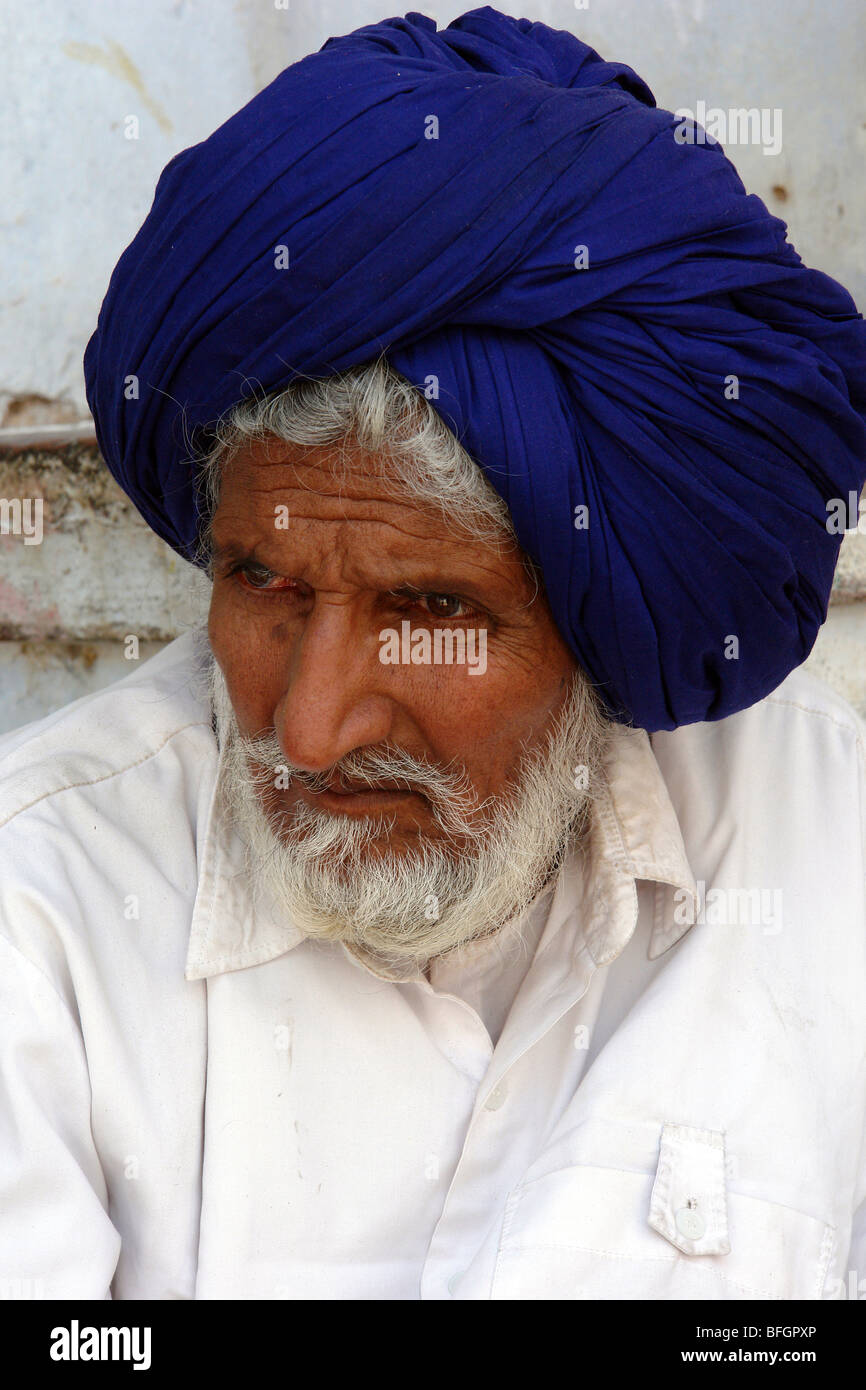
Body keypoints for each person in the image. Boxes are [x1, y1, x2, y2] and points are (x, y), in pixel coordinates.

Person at [1, 6, 865, 1300]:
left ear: (594, 608)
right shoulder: (44, 912)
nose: (306, 730)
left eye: (433, 612)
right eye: (262, 581)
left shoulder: (828, 857)